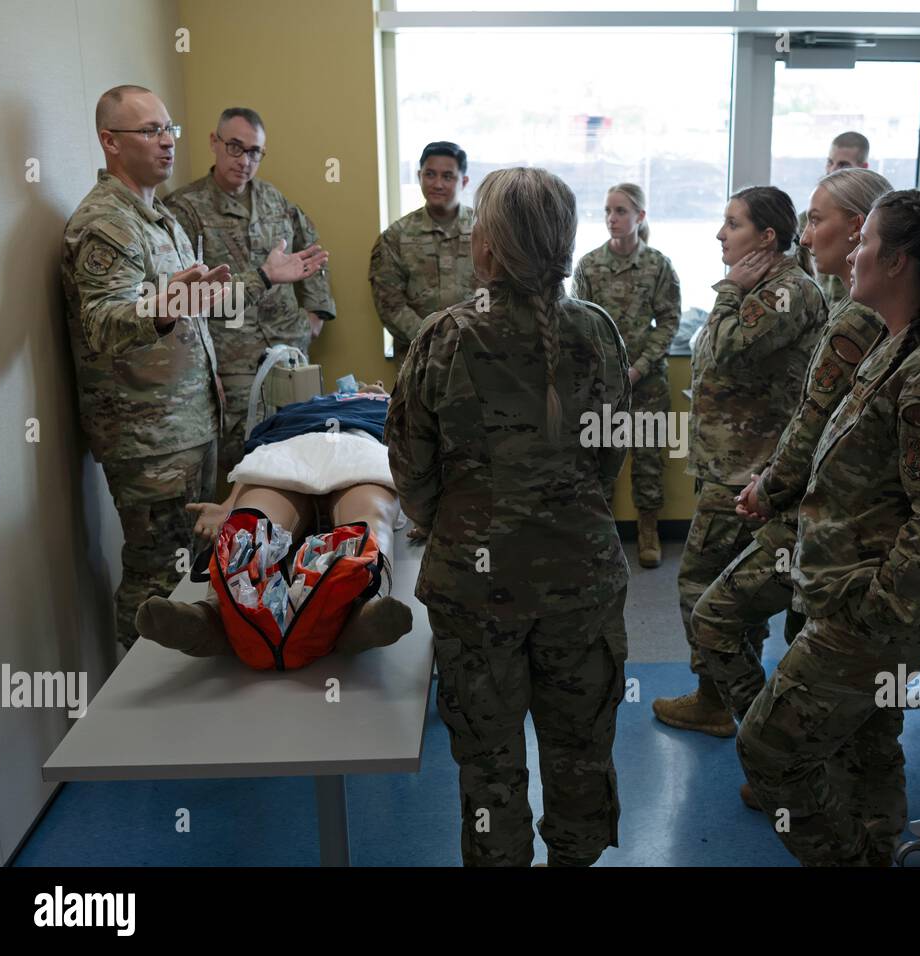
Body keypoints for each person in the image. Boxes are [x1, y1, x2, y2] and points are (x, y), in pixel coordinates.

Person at [736, 189, 920, 867]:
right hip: (856, 592)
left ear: (899, 261)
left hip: (876, 611)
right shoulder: (896, 343)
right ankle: (881, 851)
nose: (853, 251)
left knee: (766, 748)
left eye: (866, 242)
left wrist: (869, 614)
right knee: (864, 739)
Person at [385, 167, 631, 867]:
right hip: (581, 578)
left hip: (474, 584)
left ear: (486, 246)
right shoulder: (601, 334)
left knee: (490, 764)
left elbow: (412, 471)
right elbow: (610, 458)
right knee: (582, 753)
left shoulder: (444, 337)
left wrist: (452, 521)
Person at [61, 84, 326, 652]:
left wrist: (265, 278)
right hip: (149, 435)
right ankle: (138, 715)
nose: (165, 142)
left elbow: (201, 305)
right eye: (149, 131)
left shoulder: (158, 220)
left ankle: (182, 705)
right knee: (156, 579)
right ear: (109, 141)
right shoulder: (106, 224)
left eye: (168, 129)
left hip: (189, 425)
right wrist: (160, 304)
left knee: (191, 567)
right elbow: (103, 322)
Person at [693, 168, 893, 768]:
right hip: (794, 494)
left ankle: (781, 757)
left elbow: (814, 415)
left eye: (816, 219)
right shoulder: (843, 300)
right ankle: (787, 754)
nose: (808, 236)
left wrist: (772, 485)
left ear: (859, 228)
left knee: (736, 618)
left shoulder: (842, 308)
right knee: (790, 638)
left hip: (819, 509)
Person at [651, 186, 826, 738]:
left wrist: (728, 292)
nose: (720, 234)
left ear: (766, 237)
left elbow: (730, 348)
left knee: (704, 592)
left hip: (750, 475)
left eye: (732, 224)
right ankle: (718, 699)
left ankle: (749, 717)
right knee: (731, 594)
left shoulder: (785, 292)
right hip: (732, 466)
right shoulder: (766, 287)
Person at [133, 384, 412, 659]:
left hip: (363, 447)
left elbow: (417, 451)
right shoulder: (302, 406)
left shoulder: (392, 404)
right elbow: (255, 452)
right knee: (249, 525)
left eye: (377, 386)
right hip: (291, 450)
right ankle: (213, 614)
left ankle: (363, 611)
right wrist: (230, 506)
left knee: (368, 523)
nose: (369, 385)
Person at [166, 107, 337, 480]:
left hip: (290, 350)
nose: (244, 161)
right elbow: (183, 296)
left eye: (255, 152)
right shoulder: (185, 208)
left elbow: (312, 252)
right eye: (235, 147)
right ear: (215, 143)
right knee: (247, 464)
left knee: (302, 454)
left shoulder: (275, 200)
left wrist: (315, 316)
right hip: (233, 360)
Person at [572, 183, 681, 568]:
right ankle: (598, 535)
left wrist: (638, 368)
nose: (612, 219)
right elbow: (577, 322)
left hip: (646, 383)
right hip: (600, 385)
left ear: (640, 217)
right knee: (597, 460)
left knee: (649, 460)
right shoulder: (588, 265)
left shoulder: (658, 265)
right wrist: (603, 372)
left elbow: (669, 322)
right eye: (607, 211)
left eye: (620, 211)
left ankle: (648, 531)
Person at [369, 141, 477, 362]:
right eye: (430, 174)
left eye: (447, 176)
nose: (437, 184)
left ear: (463, 181)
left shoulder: (484, 231)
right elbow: (391, 306)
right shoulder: (396, 236)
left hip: (477, 354)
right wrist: (434, 342)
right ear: (419, 176)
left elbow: (496, 294)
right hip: (419, 358)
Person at [795, 131, 870, 306]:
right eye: (830, 162)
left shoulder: (875, 221)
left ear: (863, 166)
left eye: (843, 164)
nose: (832, 170)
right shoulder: (805, 220)